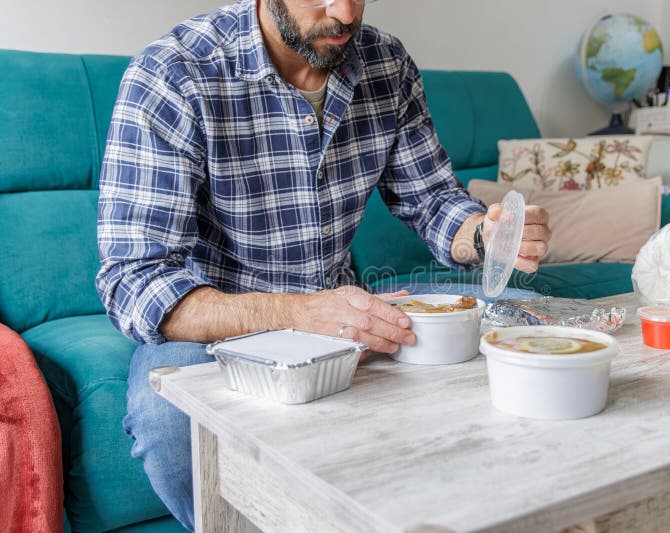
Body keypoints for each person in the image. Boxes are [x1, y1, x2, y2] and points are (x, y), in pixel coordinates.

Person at [96, 0, 551, 529]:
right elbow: (135, 280)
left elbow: (431, 200)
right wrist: (302, 313)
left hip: (344, 310)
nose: (344, 12)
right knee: (168, 426)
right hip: (214, 323)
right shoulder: (174, 73)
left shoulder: (386, 62)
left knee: (532, 318)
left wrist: (486, 234)